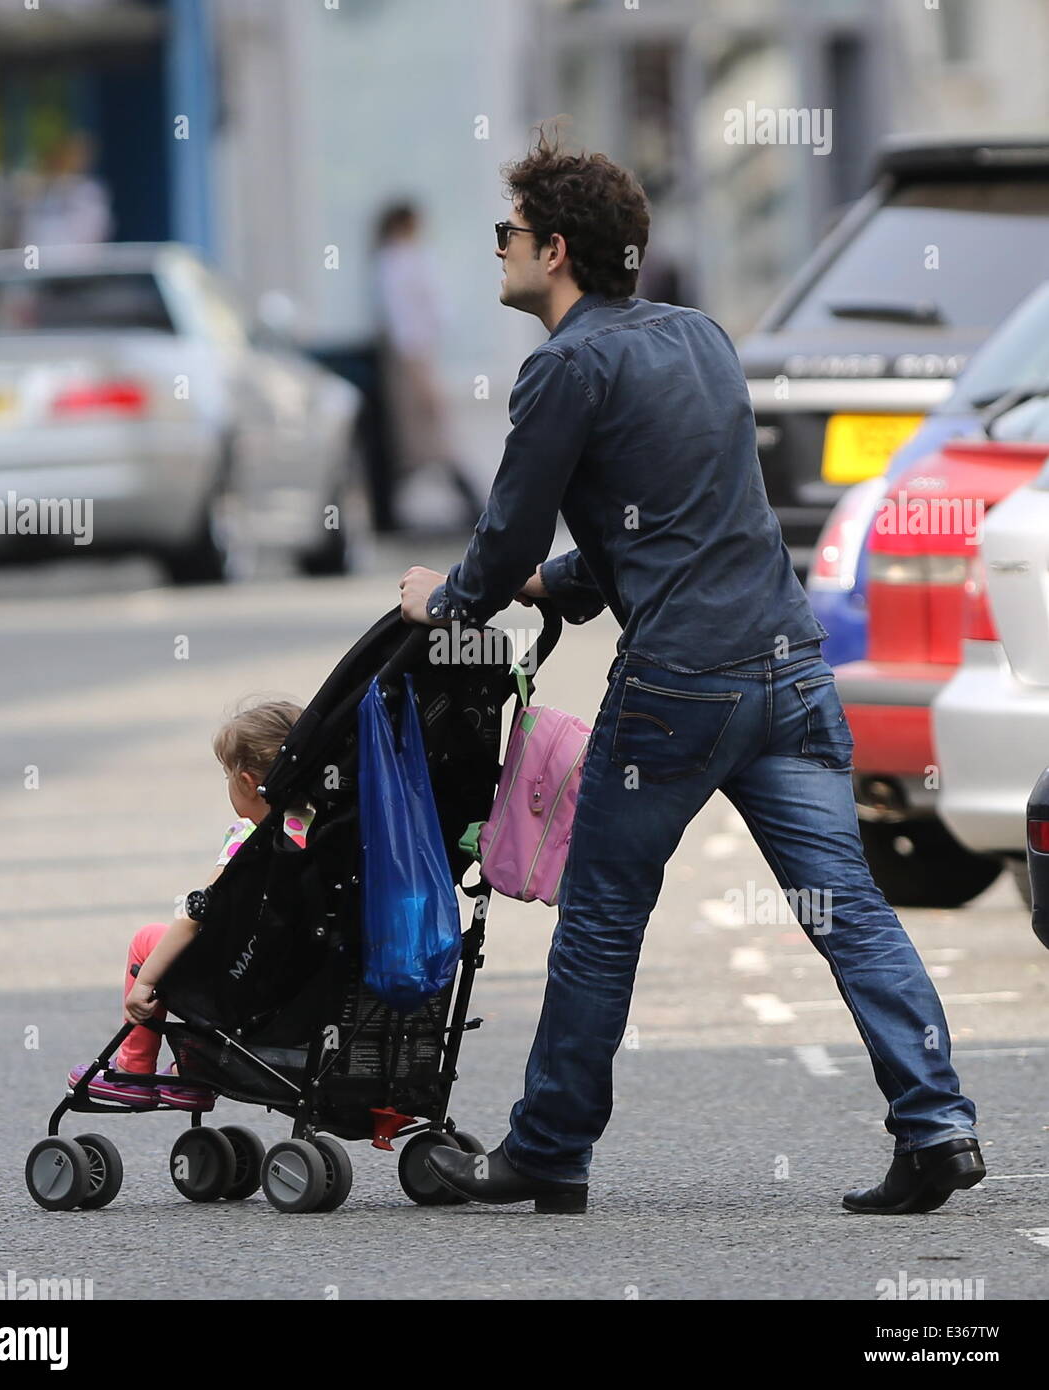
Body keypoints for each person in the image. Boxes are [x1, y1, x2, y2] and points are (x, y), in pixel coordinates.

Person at [398, 123, 983, 1217]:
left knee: (602, 917)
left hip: (677, 688)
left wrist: (452, 600)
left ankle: (548, 1149)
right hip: (788, 668)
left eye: (507, 234)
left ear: (556, 248)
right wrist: (550, 587)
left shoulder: (563, 367)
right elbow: (669, 522)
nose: (499, 253)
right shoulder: (702, 338)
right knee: (848, 905)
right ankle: (936, 1123)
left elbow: (506, 536)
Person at [67, 700, 315, 1111]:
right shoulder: (324, 831)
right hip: (300, 980)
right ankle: (189, 1075)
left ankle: (134, 1068)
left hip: (241, 980)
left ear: (250, 782)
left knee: (150, 939)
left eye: (227, 775)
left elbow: (201, 914)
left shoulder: (249, 841)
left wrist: (145, 983)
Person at [373, 201, 485, 531]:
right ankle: (473, 505)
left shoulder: (404, 259)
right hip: (414, 359)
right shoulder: (399, 262)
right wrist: (423, 378)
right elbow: (405, 321)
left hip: (421, 356)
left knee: (424, 444)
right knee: (432, 441)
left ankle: (391, 512)